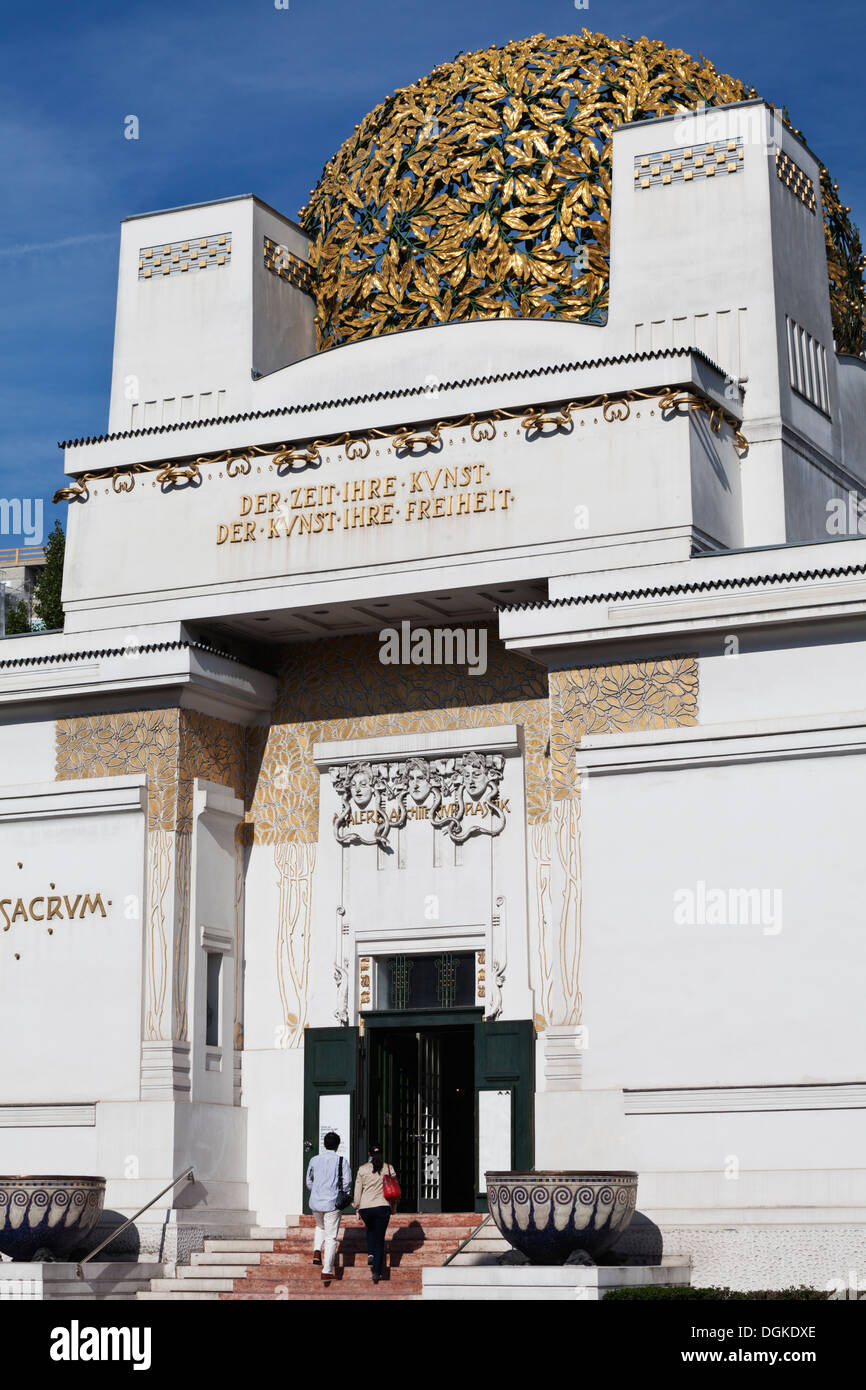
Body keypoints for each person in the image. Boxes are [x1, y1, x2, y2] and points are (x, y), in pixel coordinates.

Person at [306, 1131, 352, 1287]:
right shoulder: (341, 1161)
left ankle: (317, 1249)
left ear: (324, 1144)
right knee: (331, 1237)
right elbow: (346, 1183)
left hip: (316, 1202)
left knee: (320, 1226)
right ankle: (326, 1269)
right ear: (337, 1146)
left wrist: (317, 1190)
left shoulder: (314, 1160)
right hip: (332, 1203)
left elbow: (309, 1182)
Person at [353, 1143, 397, 1284]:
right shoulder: (388, 1168)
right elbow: (395, 1189)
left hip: (366, 1207)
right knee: (380, 1239)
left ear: (369, 1154)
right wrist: (394, 1206)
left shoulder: (362, 1169)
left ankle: (371, 1253)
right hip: (382, 1207)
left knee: (370, 1229)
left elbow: (357, 1191)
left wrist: (357, 1207)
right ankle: (376, 1272)